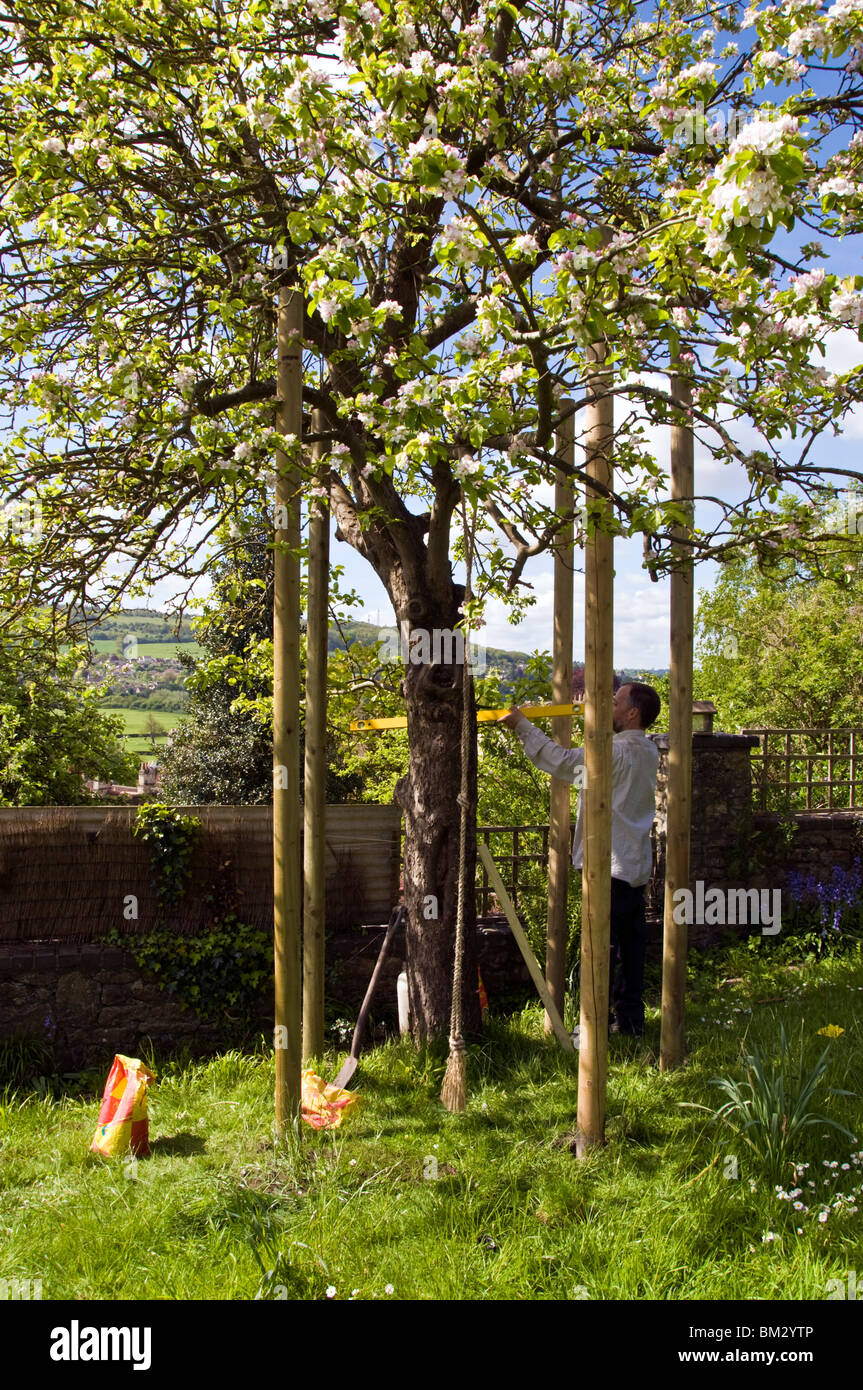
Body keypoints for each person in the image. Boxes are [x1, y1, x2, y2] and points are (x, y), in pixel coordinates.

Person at [499, 682, 661, 1037]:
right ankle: (630, 1022)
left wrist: (522, 726)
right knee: (631, 948)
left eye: (615, 702)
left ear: (632, 712)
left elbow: (561, 762)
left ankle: (593, 1025)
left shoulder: (613, 752)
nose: (608, 705)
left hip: (608, 866)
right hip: (634, 865)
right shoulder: (648, 750)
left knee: (601, 948)